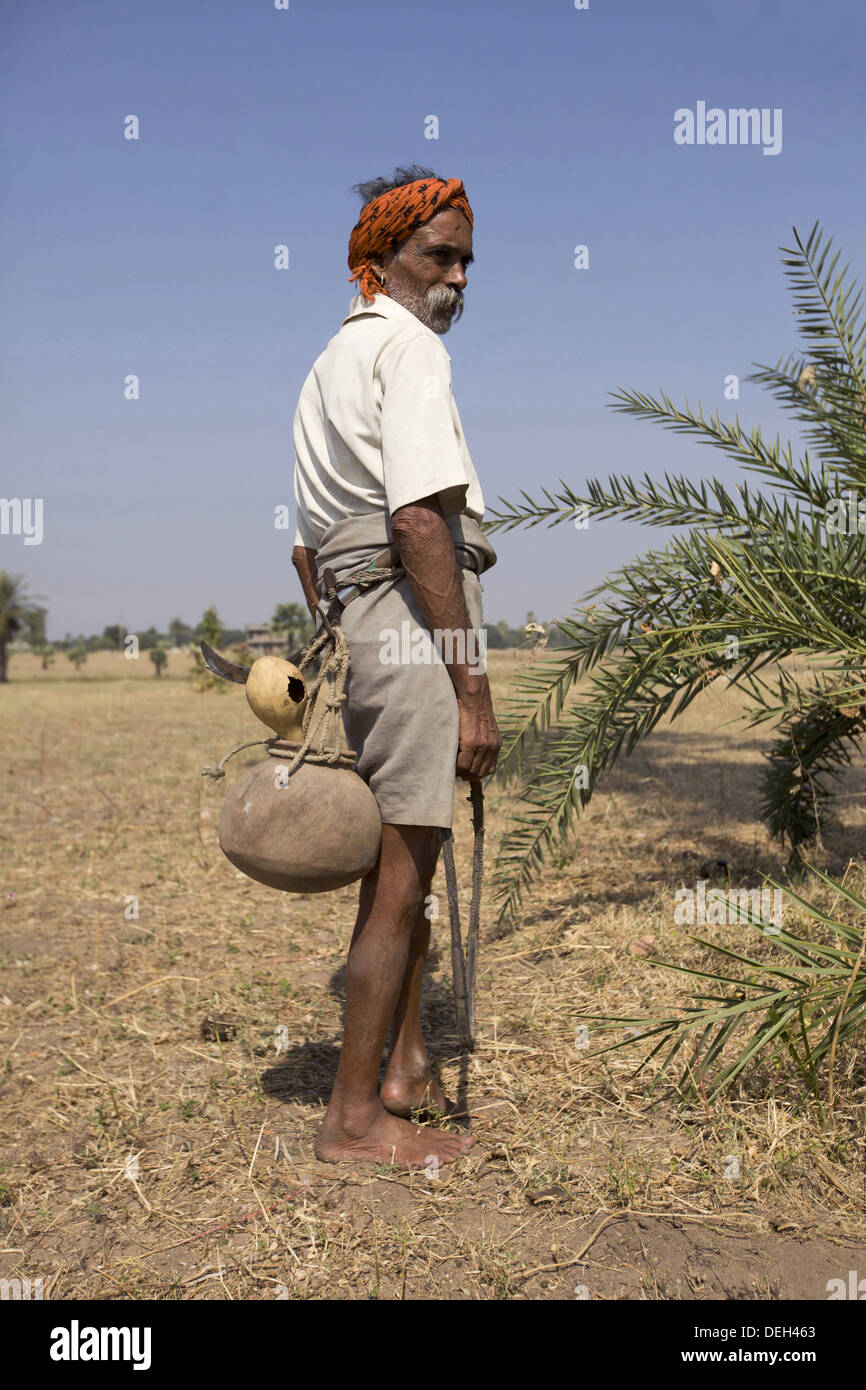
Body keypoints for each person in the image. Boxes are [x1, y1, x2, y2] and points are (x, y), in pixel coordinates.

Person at [291, 165, 501, 1167]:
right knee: (399, 880)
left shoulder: (327, 366)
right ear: (375, 263)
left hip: (364, 619)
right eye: (437, 256)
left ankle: (406, 1063)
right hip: (415, 627)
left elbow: (305, 551)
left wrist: (350, 613)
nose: (456, 278)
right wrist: (469, 684)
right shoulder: (408, 350)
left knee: (397, 861)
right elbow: (419, 516)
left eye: (464, 259)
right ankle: (353, 1121)